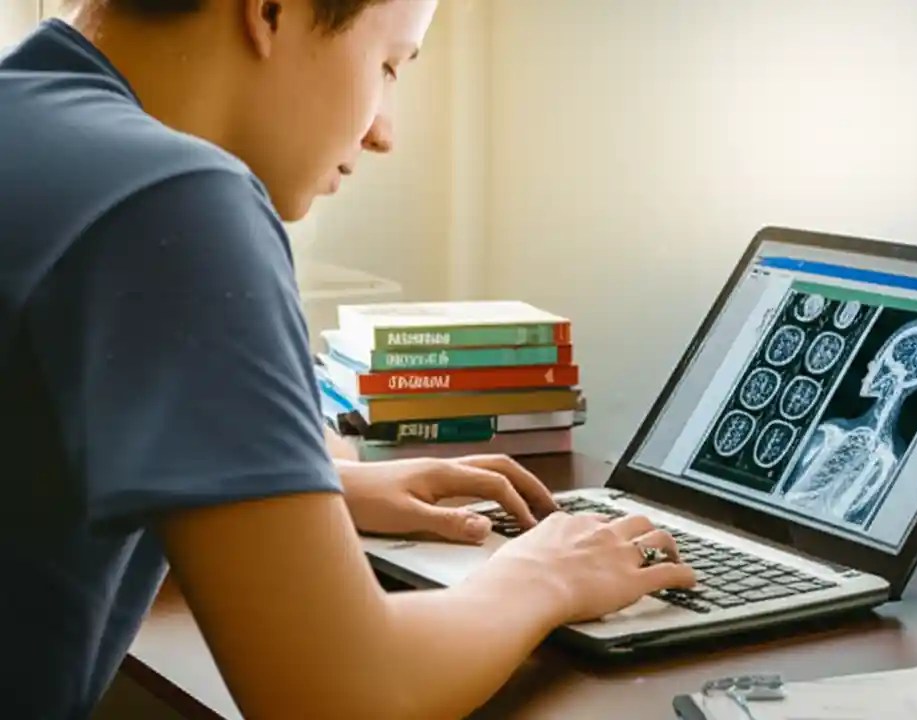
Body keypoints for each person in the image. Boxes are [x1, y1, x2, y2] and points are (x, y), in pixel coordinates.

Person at [0, 1, 695, 718]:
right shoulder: (169, 202)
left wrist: (314, 486)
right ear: (270, 11)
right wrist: (543, 574)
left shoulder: (26, 121)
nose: (385, 130)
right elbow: (344, 699)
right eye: (389, 64)